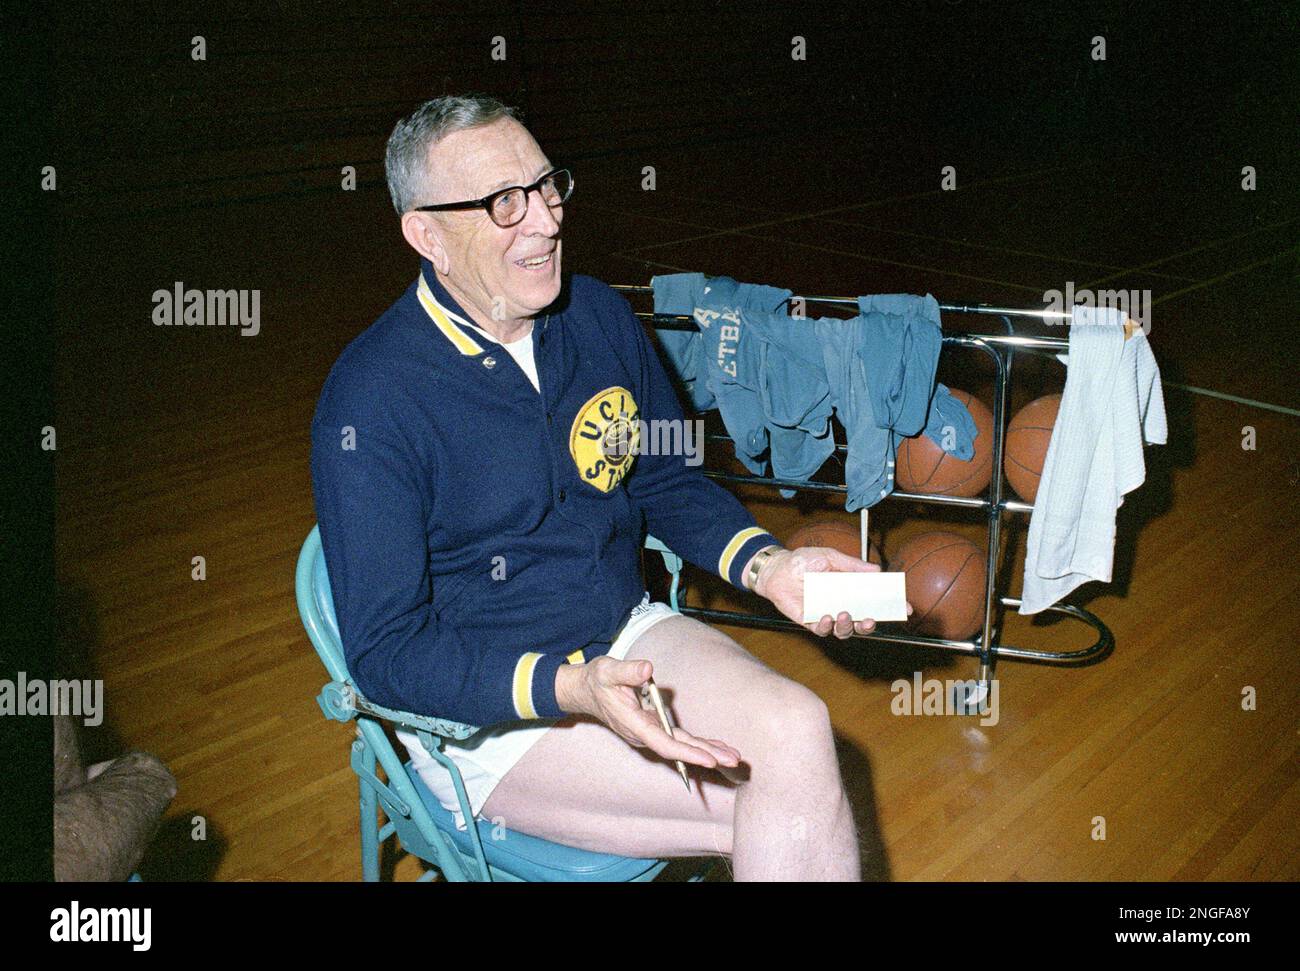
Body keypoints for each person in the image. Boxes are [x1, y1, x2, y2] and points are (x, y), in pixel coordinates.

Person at [311, 94, 901, 881]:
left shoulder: (595, 317)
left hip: (623, 635)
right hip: (489, 723)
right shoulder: (371, 398)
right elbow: (385, 653)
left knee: (802, 728)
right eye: (503, 203)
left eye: (548, 186)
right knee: (792, 806)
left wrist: (771, 566)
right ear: (427, 235)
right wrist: (570, 687)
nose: (547, 221)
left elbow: (664, 479)